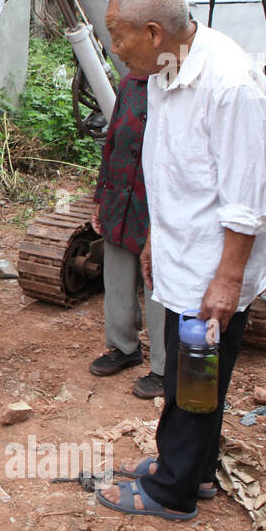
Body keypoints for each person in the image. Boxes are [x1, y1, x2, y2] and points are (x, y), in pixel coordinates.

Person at [95, 0, 266, 520]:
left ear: (153, 32)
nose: (114, 47)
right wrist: (154, 236)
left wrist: (226, 280)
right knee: (192, 370)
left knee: (192, 380)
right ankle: (195, 471)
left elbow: (247, 201)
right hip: (182, 256)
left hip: (210, 272)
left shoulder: (231, 86)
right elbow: (171, 166)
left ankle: (170, 492)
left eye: (118, 34)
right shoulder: (164, 70)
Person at [89, 71, 166, 400]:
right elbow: (111, 146)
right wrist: (100, 197)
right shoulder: (130, 85)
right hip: (121, 196)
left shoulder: (178, 84)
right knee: (117, 275)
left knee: (157, 283)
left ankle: (165, 368)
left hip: (159, 202)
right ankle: (124, 347)